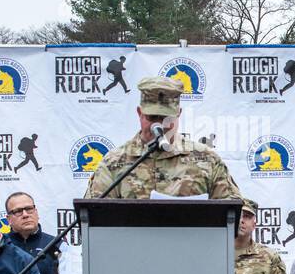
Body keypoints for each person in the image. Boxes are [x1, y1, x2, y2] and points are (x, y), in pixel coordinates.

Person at [83, 76, 242, 200]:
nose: (159, 125)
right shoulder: (114, 163)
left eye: (166, 118)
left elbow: (231, 213)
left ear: (178, 114)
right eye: (153, 117)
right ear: (140, 114)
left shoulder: (206, 160)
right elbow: (93, 217)